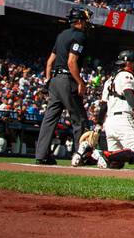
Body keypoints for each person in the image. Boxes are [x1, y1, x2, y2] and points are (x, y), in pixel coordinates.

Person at [33, 8, 92, 165]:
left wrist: (48, 80)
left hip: (55, 80)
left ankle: (41, 155)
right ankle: (81, 156)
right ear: (79, 21)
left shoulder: (61, 35)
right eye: (85, 20)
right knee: (80, 120)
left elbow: (49, 62)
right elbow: (71, 62)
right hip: (67, 80)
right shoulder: (80, 36)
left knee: (49, 119)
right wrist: (80, 82)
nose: (87, 23)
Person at [96, 49, 134, 169]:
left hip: (109, 122)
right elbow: (127, 92)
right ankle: (100, 155)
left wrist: (99, 124)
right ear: (129, 63)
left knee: (116, 163)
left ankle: (97, 156)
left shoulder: (110, 80)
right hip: (122, 119)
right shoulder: (127, 75)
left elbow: (104, 105)